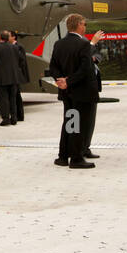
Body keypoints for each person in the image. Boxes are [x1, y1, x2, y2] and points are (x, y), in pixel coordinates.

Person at [48, 13, 99, 169]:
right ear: (78, 25)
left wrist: (61, 81)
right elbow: (85, 69)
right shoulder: (84, 44)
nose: (85, 27)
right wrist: (69, 81)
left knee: (69, 124)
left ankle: (63, 156)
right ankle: (76, 158)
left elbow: (53, 67)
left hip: (66, 92)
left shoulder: (59, 44)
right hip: (81, 92)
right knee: (79, 125)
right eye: (84, 24)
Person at [0, 29, 21, 126]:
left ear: (0, 37)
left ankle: (6, 119)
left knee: (4, 99)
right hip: (13, 77)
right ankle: (14, 118)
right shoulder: (15, 48)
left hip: (2, 78)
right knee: (13, 98)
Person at [12, 33, 29, 122]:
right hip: (14, 74)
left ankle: (20, 115)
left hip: (17, 74)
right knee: (16, 94)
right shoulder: (13, 46)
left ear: (14, 37)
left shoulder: (19, 46)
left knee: (17, 95)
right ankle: (18, 115)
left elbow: (22, 61)